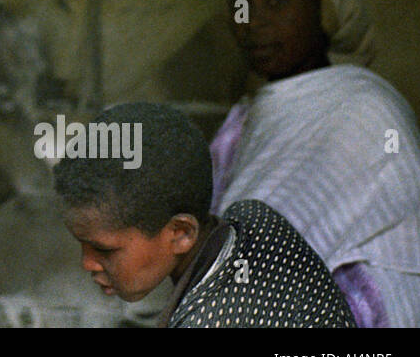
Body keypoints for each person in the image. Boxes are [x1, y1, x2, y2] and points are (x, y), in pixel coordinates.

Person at [207, 0, 420, 326]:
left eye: (277, 1)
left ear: (324, 8)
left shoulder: (362, 107)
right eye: (240, 6)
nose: (254, 22)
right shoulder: (246, 120)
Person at [55, 102, 354, 328]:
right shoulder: (253, 218)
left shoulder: (210, 319)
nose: (87, 263)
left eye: (105, 249)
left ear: (182, 233)